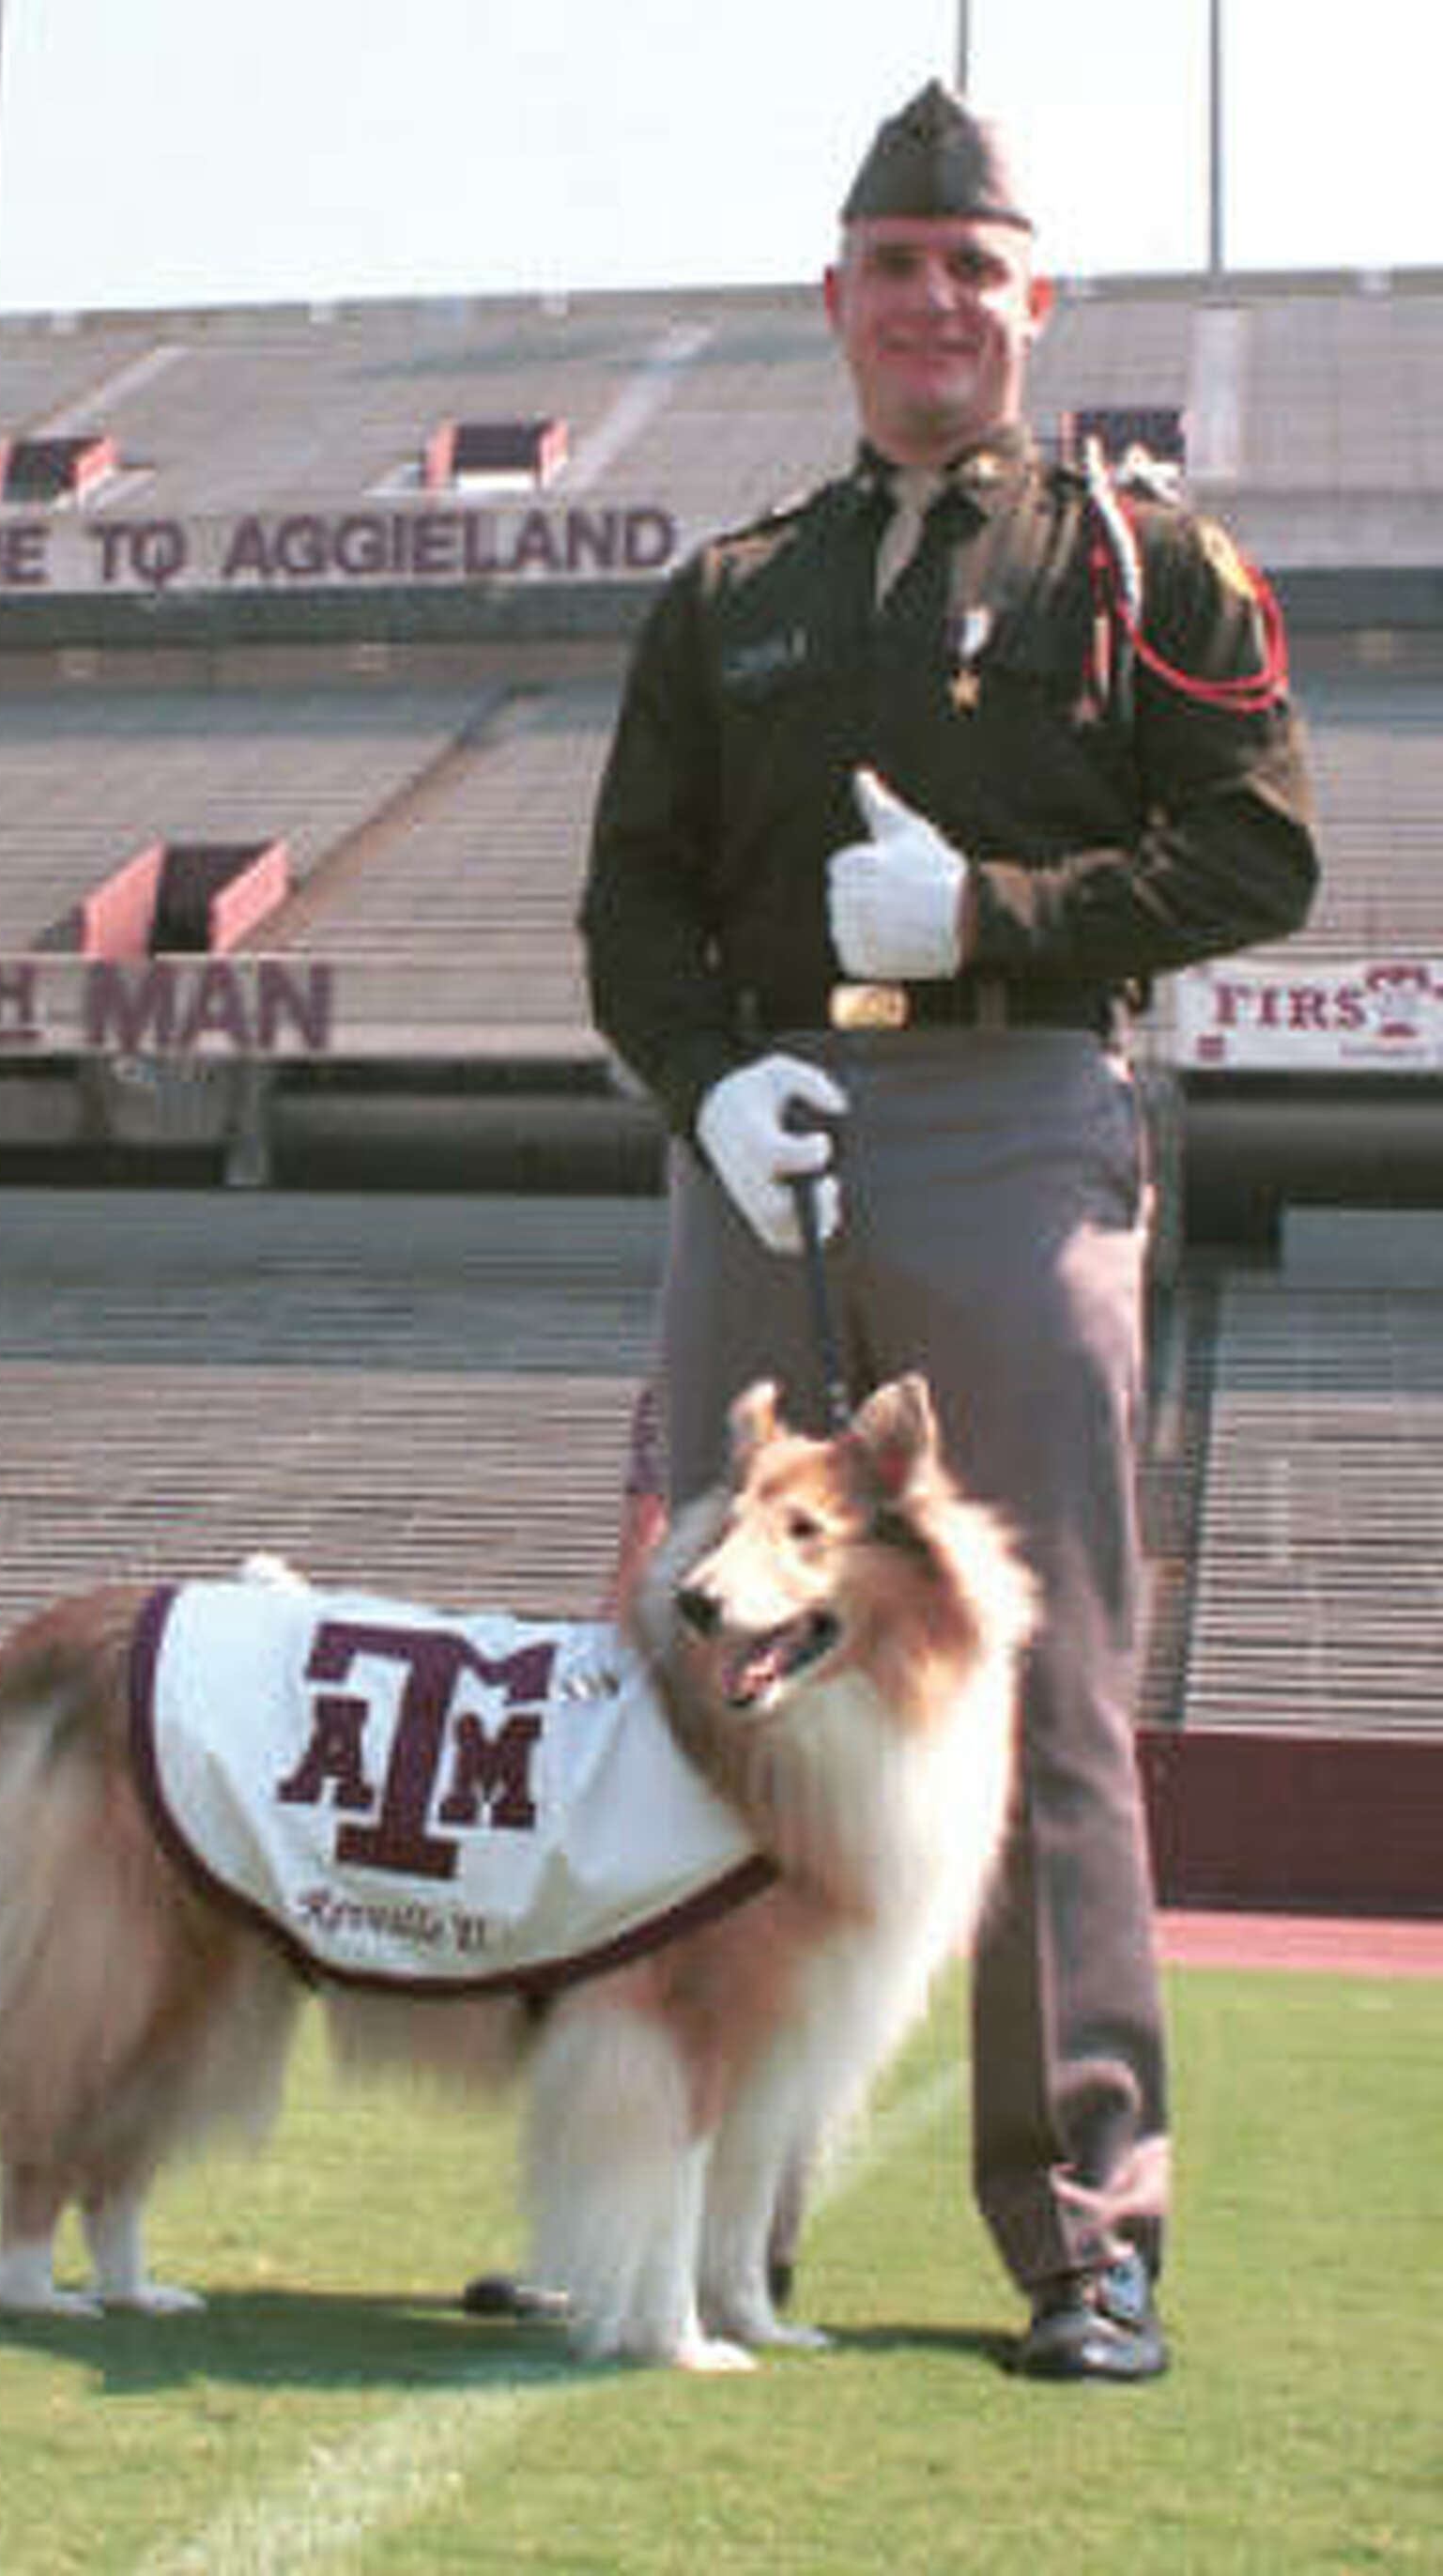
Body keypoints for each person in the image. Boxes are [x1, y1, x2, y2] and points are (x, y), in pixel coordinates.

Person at [575, 78, 1319, 2381]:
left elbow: (1258, 857)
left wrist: (986, 918)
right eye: (894, 267)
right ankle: (695, 2206)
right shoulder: (737, 592)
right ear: (837, 298)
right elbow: (629, 900)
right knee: (707, 1653)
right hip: (773, 1129)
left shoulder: (1142, 566)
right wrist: (712, 1081)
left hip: (1011, 1118)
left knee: (1040, 1679)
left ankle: (1088, 2227)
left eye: (973, 269)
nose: (933, 304)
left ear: (1035, 301)